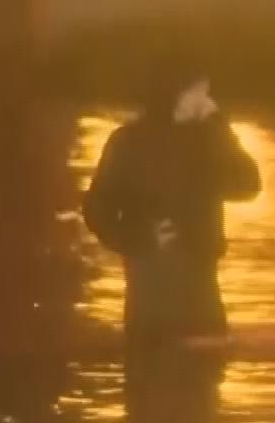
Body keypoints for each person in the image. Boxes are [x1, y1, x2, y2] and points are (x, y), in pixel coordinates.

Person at [83, 73, 261, 347]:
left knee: (196, 362)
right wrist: (137, 237)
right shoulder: (130, 141)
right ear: (179, 94)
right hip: (153, 282)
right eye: (200, 93)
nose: (207, 101)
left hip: (197, 280)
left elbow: (247, 185)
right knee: (160, 358)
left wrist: (219, 127)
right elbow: (97, 208)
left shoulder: (207, 138)